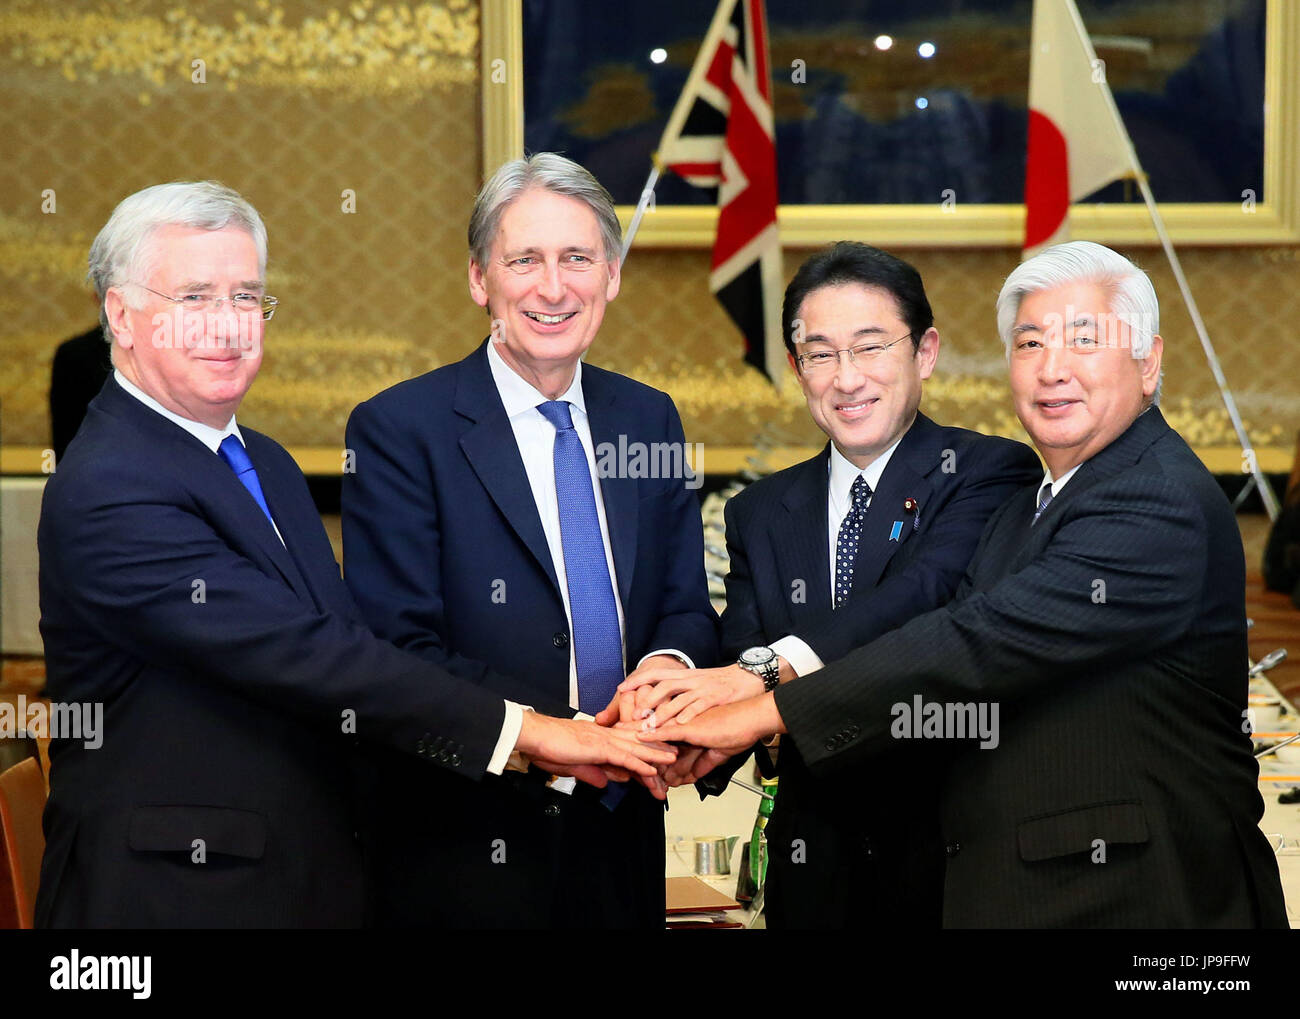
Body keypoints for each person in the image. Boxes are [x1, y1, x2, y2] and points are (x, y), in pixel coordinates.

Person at [35, 181, 671, 928]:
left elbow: (352, 644)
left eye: (247, 297)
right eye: (196, 297)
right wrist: (531, 732)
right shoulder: (109, 484)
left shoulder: (261, 461)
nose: (228, 325)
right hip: (176, 898)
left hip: (302, 880)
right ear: (122, 315)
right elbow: (311, 655)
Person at [644, 241, 1289, 928]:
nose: (1052, 369)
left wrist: (758, 704)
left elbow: (972, 642)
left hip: (1148, 900)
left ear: (1149, 360)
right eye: (1030, 343)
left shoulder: (1157, 498)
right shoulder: (1033, 504)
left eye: (1083, 340)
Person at [341, 154, 719, 928]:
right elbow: (396, 648)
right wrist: (561, 738)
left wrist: (662, 676)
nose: (554, 287)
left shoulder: (649, 420)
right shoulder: (398, 431)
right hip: (466, 842)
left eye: (578, 258)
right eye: (525, 261)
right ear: (482, 279)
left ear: (610, 275)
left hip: (624, 834)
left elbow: (683, 604)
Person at [625, 242, 1039, 927]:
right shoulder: (759, 512)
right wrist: (678, 733)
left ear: (926, 352)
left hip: (948, 857)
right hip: (812, 863)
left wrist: (763, 673)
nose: (847, 378)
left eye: (871, 347)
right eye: (820, 354)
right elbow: (738, 659)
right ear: (796, 368)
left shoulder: (987, 471)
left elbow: (924, 596)